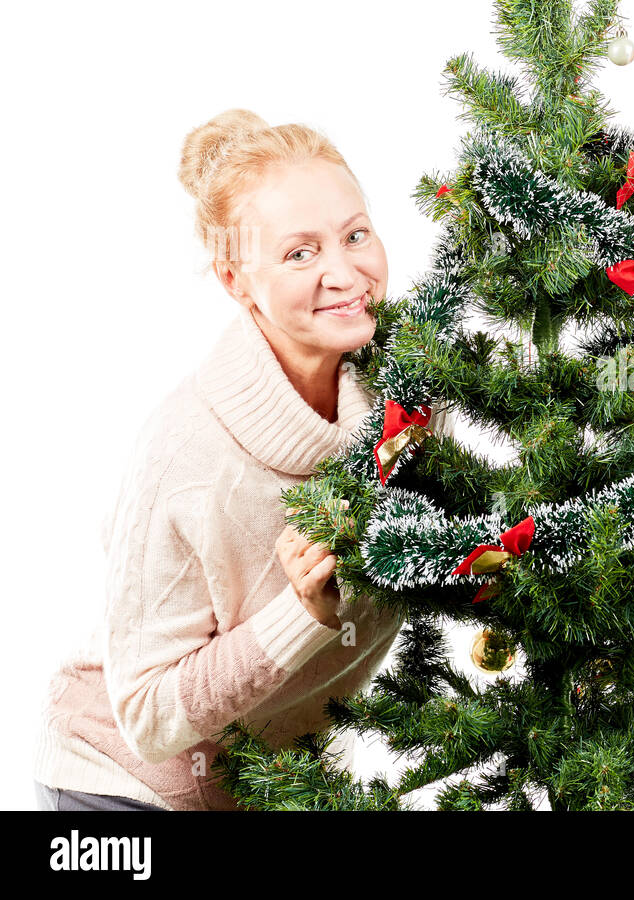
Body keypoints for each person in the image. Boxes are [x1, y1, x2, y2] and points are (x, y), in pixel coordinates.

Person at [32, 109, 452, 809]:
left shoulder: (409, 398)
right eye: (300, 253)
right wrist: (300, 613)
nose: (345, 272)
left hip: (283, 775)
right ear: (235, 278)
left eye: (356, 235)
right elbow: (147, 715)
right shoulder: (188, 453)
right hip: (129, 783)